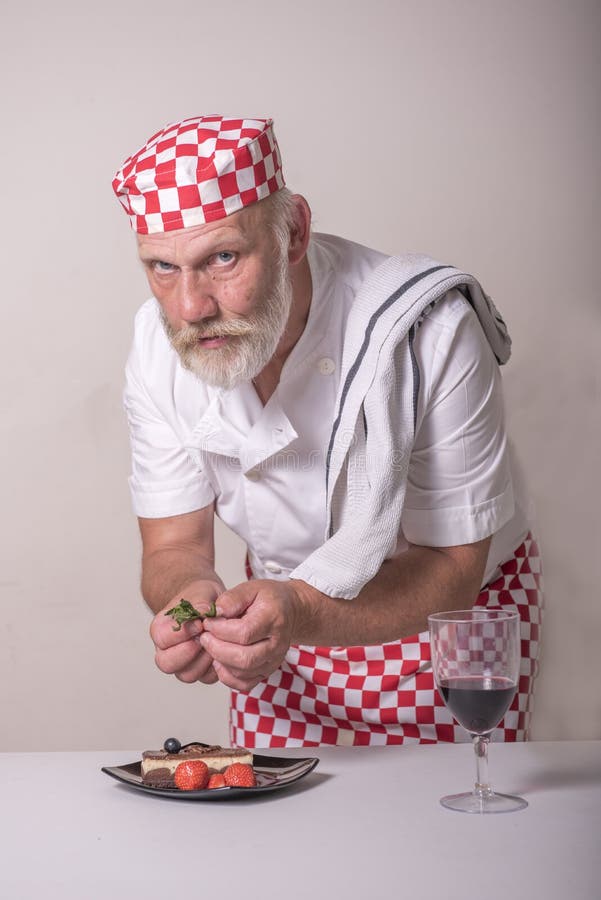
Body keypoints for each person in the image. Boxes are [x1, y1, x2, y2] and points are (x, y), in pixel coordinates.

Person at [113, 115, 542, 748]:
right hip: (274, 630)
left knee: (451, 836)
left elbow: (454, 565)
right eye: (162, 268)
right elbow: (174, 544)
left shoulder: (433, 329)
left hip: (448, 622)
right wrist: (193, 608)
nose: (190, 308)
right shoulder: (159, 344)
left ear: (293, 232)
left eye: (223, 257)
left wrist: (295, 611)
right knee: (278, 834)